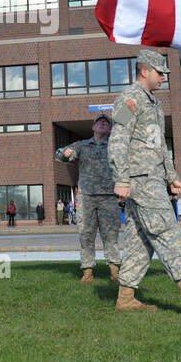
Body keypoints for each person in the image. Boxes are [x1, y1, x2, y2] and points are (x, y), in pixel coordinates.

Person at [108, 49, 181, 316]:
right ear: (145, 71)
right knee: (167, 231)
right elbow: (117, 140)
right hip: (140, 180)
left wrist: (171, 176)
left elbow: (159, 145)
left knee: (140, 240)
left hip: (152, 178)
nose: (164, 77)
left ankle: (125, 298)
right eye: (160, 72)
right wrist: (121, 179)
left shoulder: (153, 102)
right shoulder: (130, 100)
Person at [56, 113, 122, 283]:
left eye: (106, 123)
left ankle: (115, 272)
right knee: (86, 235)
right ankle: (87, 272)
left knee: (111, 236)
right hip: (86, 199)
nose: (102, 123)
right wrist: (67, 152)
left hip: (109, 197)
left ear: (109, 128)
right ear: (93, 127)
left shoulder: (116, 146)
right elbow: (59, 154)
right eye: (99, 122)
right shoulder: (82, 145)